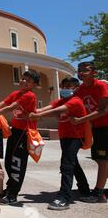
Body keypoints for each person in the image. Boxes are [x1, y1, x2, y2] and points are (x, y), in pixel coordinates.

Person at [0, 70, 40, 205]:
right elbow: (0, 105)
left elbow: (10, 107)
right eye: (23, 79)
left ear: (34, 85)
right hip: (15, 131)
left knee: (17, 163)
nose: (23, 81)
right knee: (8, 162)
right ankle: (10, 188)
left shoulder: (29, 96)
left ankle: (12, 194)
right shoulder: (16, 93)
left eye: (28, 81)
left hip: (24, 133)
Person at [29, 77, 91, 210]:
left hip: (74, 137)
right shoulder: (62, 100)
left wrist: (39, 116)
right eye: (64, 86)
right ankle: (85, 190)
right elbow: (47, 108)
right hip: (65, 137)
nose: (66, 88)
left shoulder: (75, 101)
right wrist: (33, 111)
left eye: (69, 86)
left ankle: (64, 197)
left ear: (76, 88)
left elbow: (56, 111)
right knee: (73, 164)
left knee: (67, 165)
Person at [71, 62, 108, 203]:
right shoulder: (79, 90)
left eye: (85, 70)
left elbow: (103, 110)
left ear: (94, 72)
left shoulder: (101, 86)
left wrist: (81, 120)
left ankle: (98, 193)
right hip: (94, 129)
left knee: (103, 160)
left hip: (105, 128)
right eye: (79, 71)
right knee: (99, 159)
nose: (81, 73)